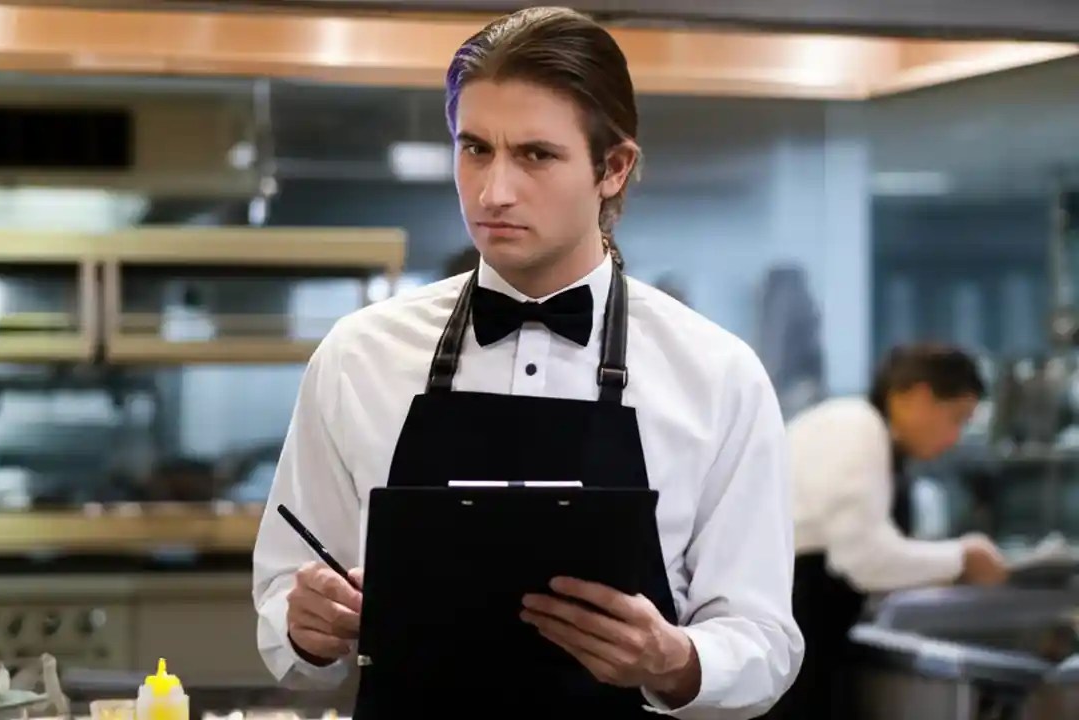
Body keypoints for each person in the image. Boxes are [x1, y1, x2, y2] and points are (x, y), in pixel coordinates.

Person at [252, 7, 802, 718]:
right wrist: (304, 629)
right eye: (475, 149)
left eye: (535, 155)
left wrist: (675, 660)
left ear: (615, 167)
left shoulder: (719, 375)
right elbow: (281, 611)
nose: (493, 192)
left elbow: (766, 644)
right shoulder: (357, 357)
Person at [769, 343, 1009, 719]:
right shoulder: (857, 427)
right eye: (957, 418)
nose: (954, 438)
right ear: (918, 395)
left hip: (806, 637)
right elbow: (864, 560)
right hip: (788, 633)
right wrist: (963, 556)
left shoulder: (872, 436)